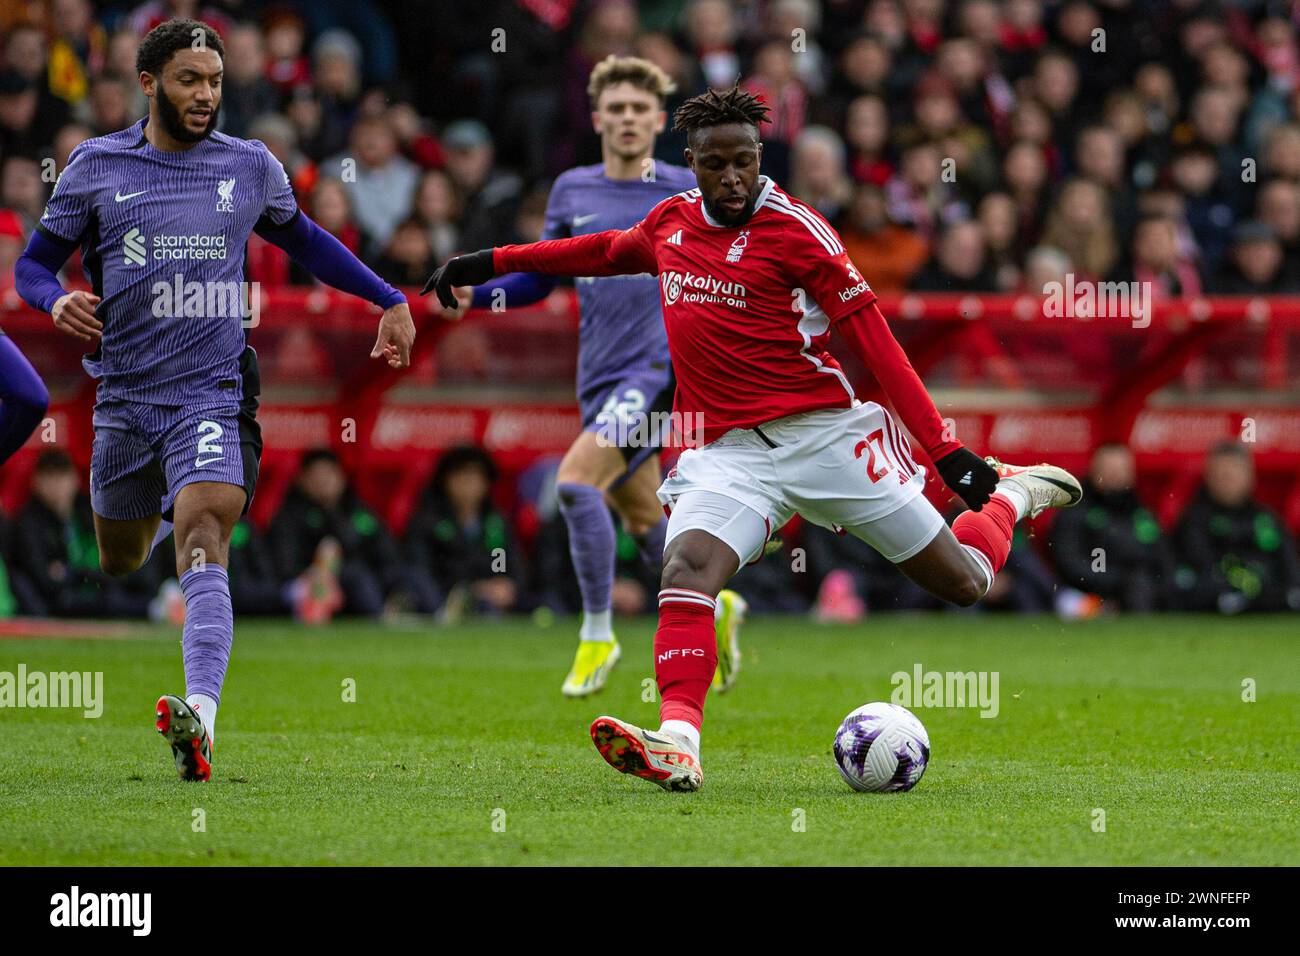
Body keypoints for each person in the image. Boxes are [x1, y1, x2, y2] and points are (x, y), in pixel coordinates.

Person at [424, 84, 1082, 792]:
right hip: (729, 454)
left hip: (825, 438)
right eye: (715, 164)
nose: (731, 178)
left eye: (744, 161)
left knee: (963, 583)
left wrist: (947, 454)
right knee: (685, 570)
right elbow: (597, 251)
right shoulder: (670, 223)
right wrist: (490, 261)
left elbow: (879, 346)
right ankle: (678, 739)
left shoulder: (801, 233)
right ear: (693, 162)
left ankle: (1012, 496)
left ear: (761, 156)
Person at [13, 19, 416, 783]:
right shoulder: (96, 166)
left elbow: (309, 243)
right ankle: (161, 519)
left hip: (213, 392)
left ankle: (201, 715)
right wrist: (53, 301)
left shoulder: (251, 166)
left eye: (216, 81)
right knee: (122, 557)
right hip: (125, 402)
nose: (206, 95)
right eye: (190, 80)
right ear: (148, 83)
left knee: (203, 529)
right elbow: (34, 268)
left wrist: (387, 296)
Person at [446, 56, 747, 698]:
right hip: (599, 376)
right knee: (641, 518)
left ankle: (597, 633)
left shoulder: (686, 189)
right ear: (598, 118)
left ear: (658, 119)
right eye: (617, 109)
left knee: (576, 484)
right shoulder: (571, 190)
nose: (629, 119)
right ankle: (715, 605)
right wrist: (488, 295)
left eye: (640, 109)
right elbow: (547, 274)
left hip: (658, 372)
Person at [1174, 443, 1300, 613]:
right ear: (1208, 476)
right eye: (1222, 475)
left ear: (1250, 476)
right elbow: (1201, 566)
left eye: (1233, 474)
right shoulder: (1194, 519)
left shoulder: (1266, 518)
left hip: (1269, 597)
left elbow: (1289, 565)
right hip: (1216, 598)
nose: (1227, 481)